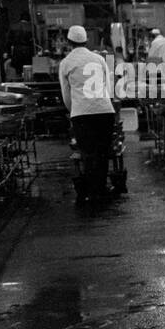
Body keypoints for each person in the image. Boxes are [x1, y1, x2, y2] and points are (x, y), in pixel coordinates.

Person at [58, 26, 117, 205]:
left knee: (88, 153)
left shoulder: (66, 63)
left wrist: (73, 111)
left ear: (68, 43)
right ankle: (102, 188)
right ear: (86, 41)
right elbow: (108, 86)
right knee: (102, 152)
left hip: (82, 113)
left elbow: (66, 93)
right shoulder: (99, 59)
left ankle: (92, 192)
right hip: (105, 111)